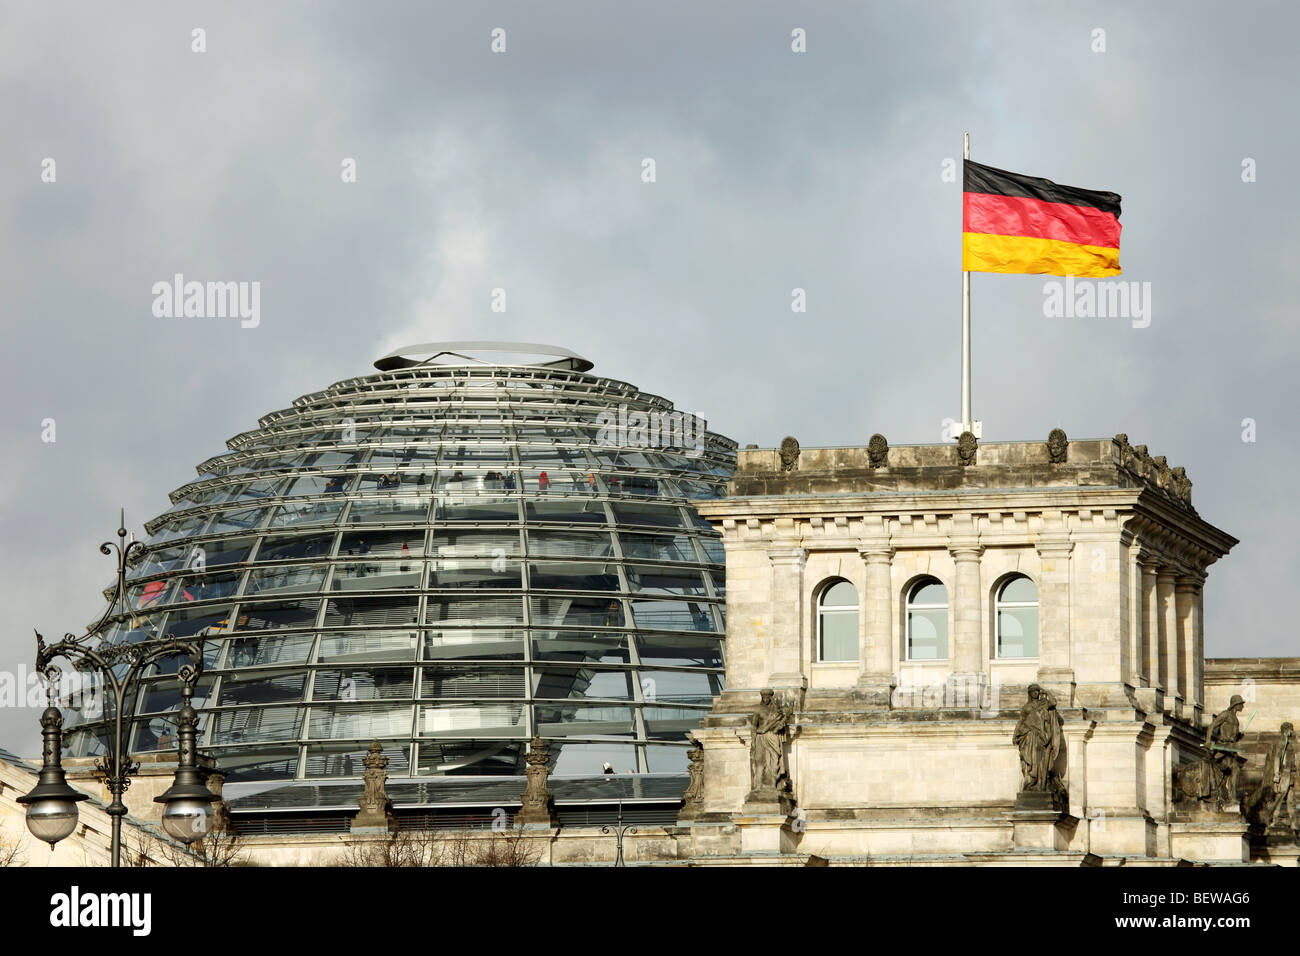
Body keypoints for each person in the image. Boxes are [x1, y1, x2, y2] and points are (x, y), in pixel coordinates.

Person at [1206, 694, 1246, 806]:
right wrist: (1208, 741)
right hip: (1223, 749)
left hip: (1231, 749)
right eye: (1241, 704)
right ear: (1236, 705)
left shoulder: (1235, 718)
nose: (1242, 706)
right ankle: (1231, 796)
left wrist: (1238, 736)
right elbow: (1212, 726)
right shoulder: (1225, 714)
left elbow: (1233, 735)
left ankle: (1230, 796)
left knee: (1234, 771)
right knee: (1234, 770)